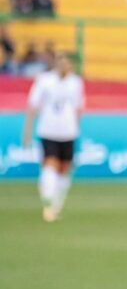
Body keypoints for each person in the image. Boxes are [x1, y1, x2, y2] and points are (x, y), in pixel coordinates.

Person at [22, 52, 84, 222]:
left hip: (68, 132)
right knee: (50, 164)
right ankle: (48, 201)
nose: (64, 66)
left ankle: (56, 203)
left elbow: (78, 108)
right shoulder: (44, 80)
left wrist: (77, 128)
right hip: (48, 130)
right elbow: (32, 106)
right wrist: (27, 131)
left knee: (64, 168)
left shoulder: (76, 83)